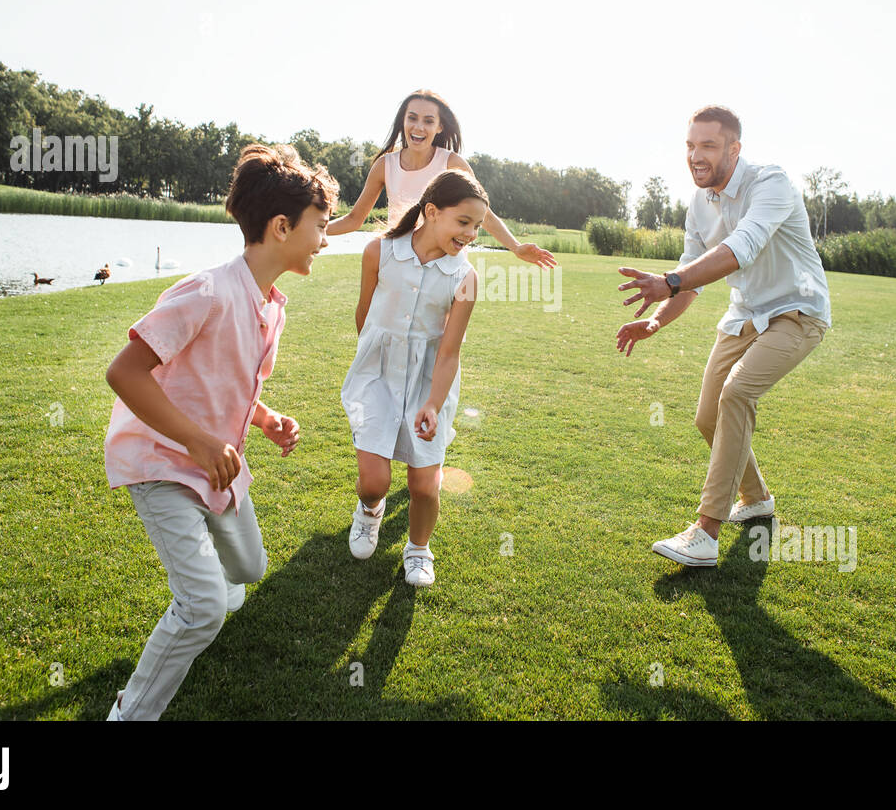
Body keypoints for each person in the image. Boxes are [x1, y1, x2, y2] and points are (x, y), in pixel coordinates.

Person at [102, 143, 338, 719]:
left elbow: (227, 381)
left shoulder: (271, 305)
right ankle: (131, 711)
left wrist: (265, 417)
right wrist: (198, 441)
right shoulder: (206, 292)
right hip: (162, 464)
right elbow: (124, 372)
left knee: (250, 569)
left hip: (218, 467)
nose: (325, 239)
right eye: (321, 226)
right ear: (282, 227)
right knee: (205, 606)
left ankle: (203, 587)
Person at [615, 106, 831, 568]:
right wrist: (656, 319)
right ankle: (756, 499)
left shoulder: (770, 183)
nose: (696, 155)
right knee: (707, 417)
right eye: (690, 146)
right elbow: (691, 278)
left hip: (798, 311)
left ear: (734, 148)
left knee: (736, 394)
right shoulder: (699, 203)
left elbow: (740, 249)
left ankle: (706, 531)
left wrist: (670, 281)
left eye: (708, 146)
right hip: (745, 314)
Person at [339, 170, 485, 587]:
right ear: (432, 211)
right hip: (377, 376)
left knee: (423, 485)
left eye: (477, 226)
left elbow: (449, 351)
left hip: (429, 383)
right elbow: (364, 317)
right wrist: (374, 364)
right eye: (464, 222)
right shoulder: (378, 252)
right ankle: (369, 513)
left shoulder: (465, 278)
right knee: (374, 482)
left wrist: (433, 404)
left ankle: (419, 549)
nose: (471, 234)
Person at [326, 89, 556, 269]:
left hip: (445, 263)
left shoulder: (452, 164)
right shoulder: (385, 165)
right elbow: (355, 219)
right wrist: (311, 230)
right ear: (403, 121)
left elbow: (482, 214)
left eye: (428, 121)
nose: (418, 127)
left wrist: (515, 247)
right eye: (412, 118)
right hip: (397, 261)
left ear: (439, 127)